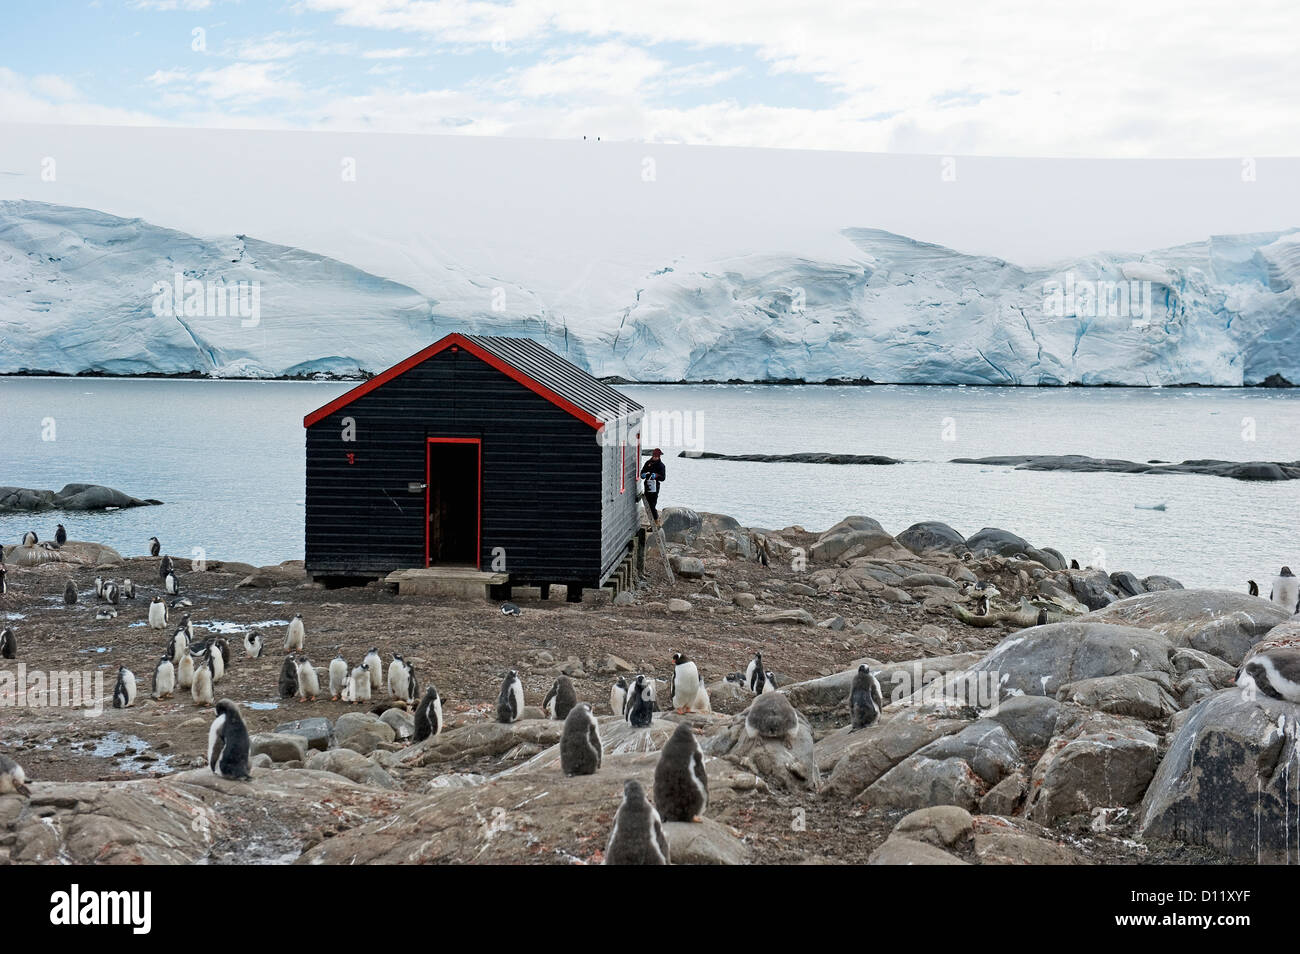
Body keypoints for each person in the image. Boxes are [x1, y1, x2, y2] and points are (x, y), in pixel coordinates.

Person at [640, 448, 666, 525]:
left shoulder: (661, 465)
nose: (655, 457)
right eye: (654, 456)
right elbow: (642, 473)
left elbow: (663, 478)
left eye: (657, 456)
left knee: (652, 505)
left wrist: (656, 476)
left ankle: (656, 522)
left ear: (659, 456)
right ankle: (652, 522)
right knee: (648, 504)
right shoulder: (648, 463)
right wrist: (643, 475)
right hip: (647, 485)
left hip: (655, 487)